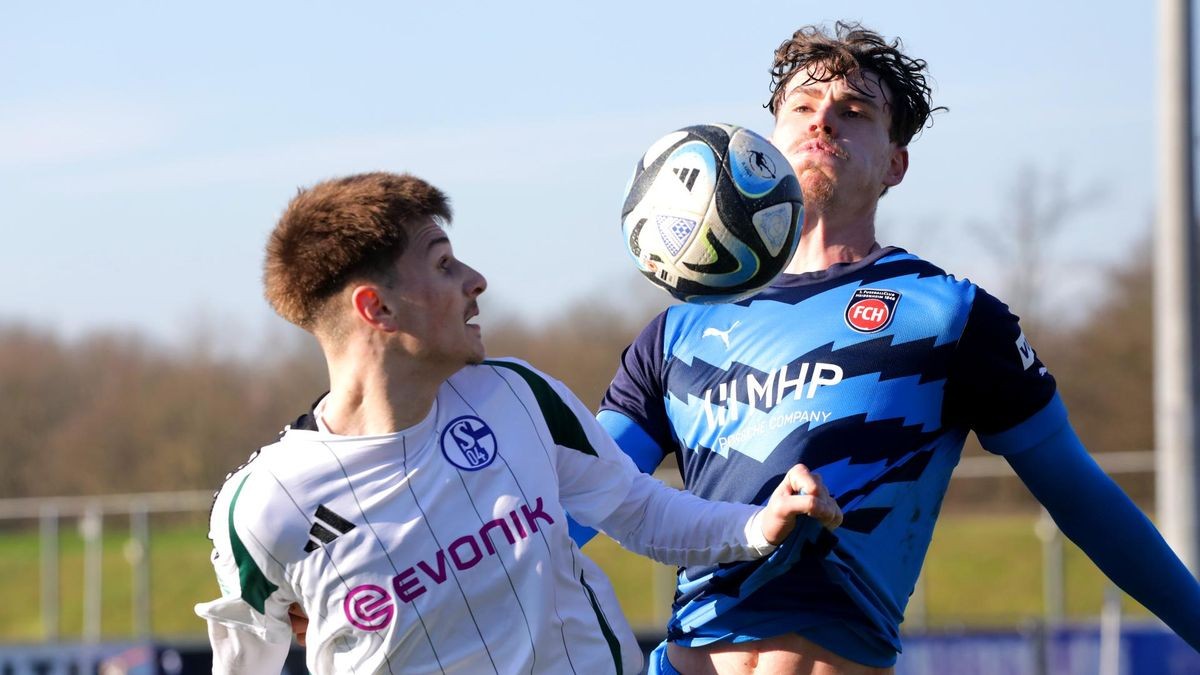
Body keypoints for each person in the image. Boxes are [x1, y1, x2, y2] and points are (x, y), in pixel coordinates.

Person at [590, 22, 1200, 674]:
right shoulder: (676, 334)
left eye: (853, 112)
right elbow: (574, 492)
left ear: (894, 163)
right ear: (764, 143)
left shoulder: (951, 316)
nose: (823, 120)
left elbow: (1085, 500)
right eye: (802, 106)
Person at [193, 171, 843, 674]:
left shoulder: (517, 395)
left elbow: (636, 507)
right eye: (444, 263)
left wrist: (757, 525)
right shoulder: (266, 508)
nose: (476, 279)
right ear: (377, 306)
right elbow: (250, 656)